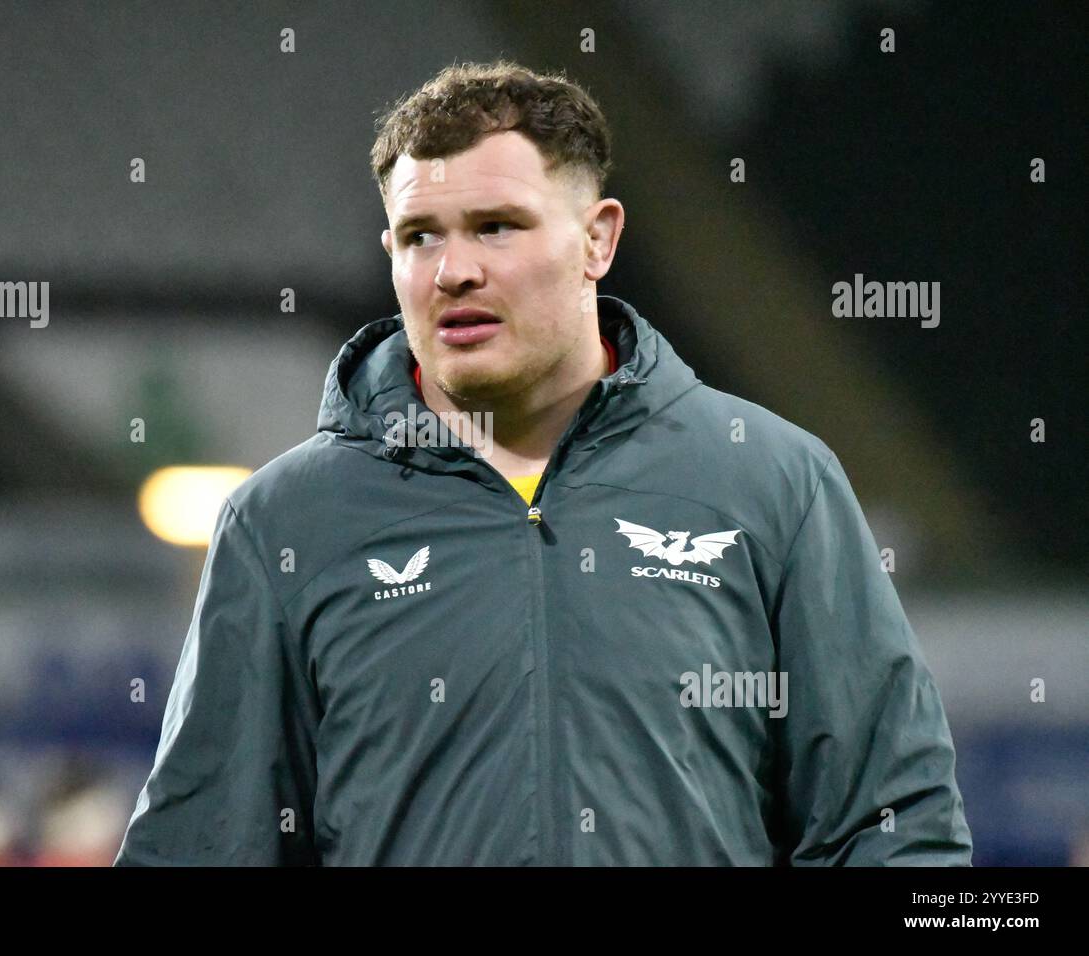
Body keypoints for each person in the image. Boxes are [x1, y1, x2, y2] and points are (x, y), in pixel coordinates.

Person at [114, 60, 972, 866]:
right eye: (420, 237)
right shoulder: (283, 524)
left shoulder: (774, 483)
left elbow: (890, 822)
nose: (453, 270)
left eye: (497, 227)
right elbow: (203, 842)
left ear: (597, 240)